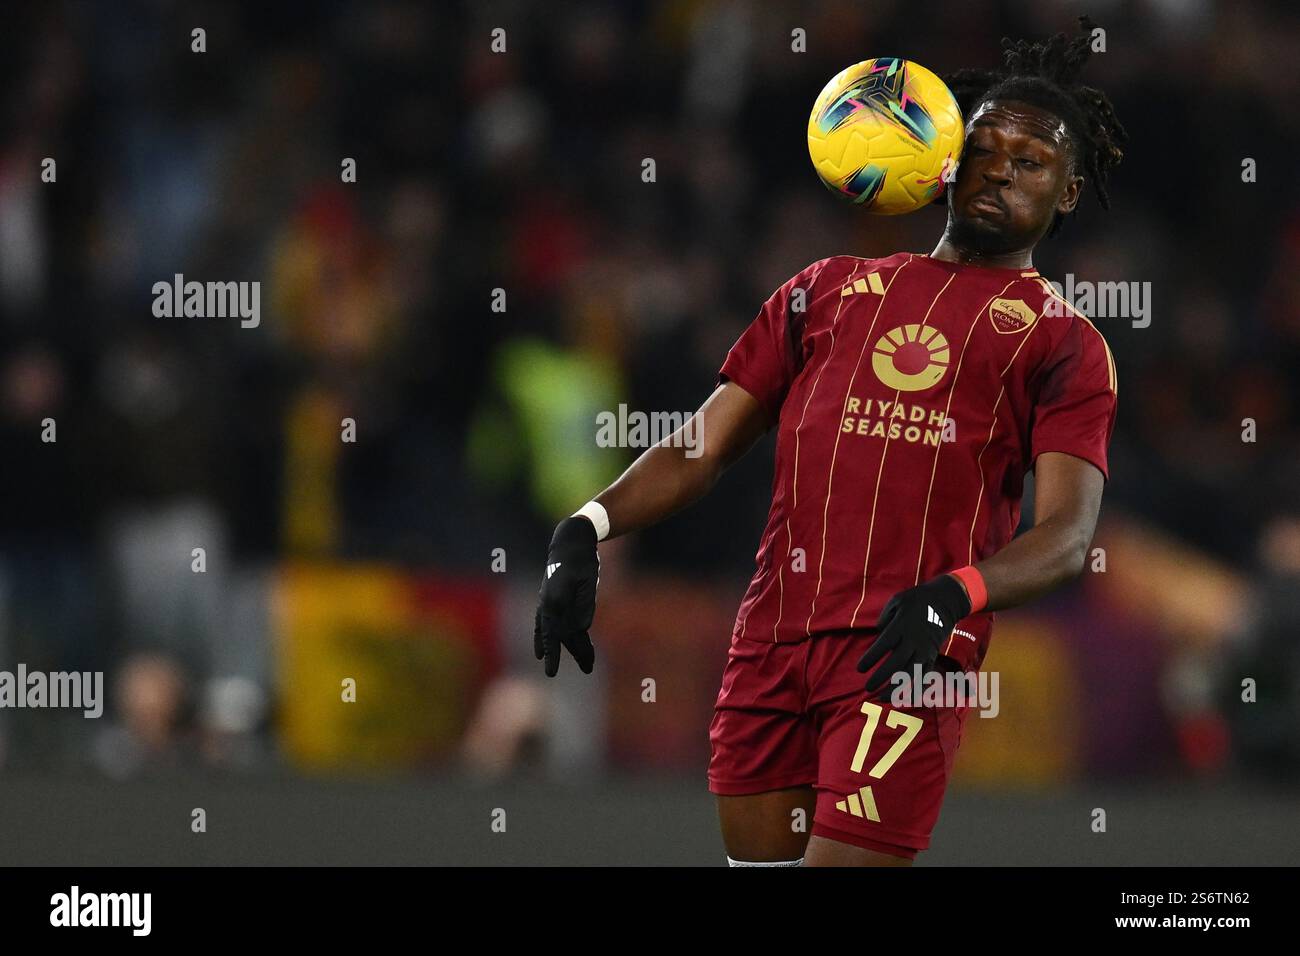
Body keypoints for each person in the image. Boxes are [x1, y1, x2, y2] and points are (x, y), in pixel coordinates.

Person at [533, 16, 1125, 866]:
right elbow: (700, 447)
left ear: (1067, 192)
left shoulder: (1064, 341)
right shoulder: (826, 292)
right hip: (768, 646)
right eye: (985, 148)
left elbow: (1066, 541)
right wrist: (584, 528)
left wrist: (952, 597)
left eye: (1029, 161)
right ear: (945, 159)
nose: (999, 170)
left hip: (904, 652)